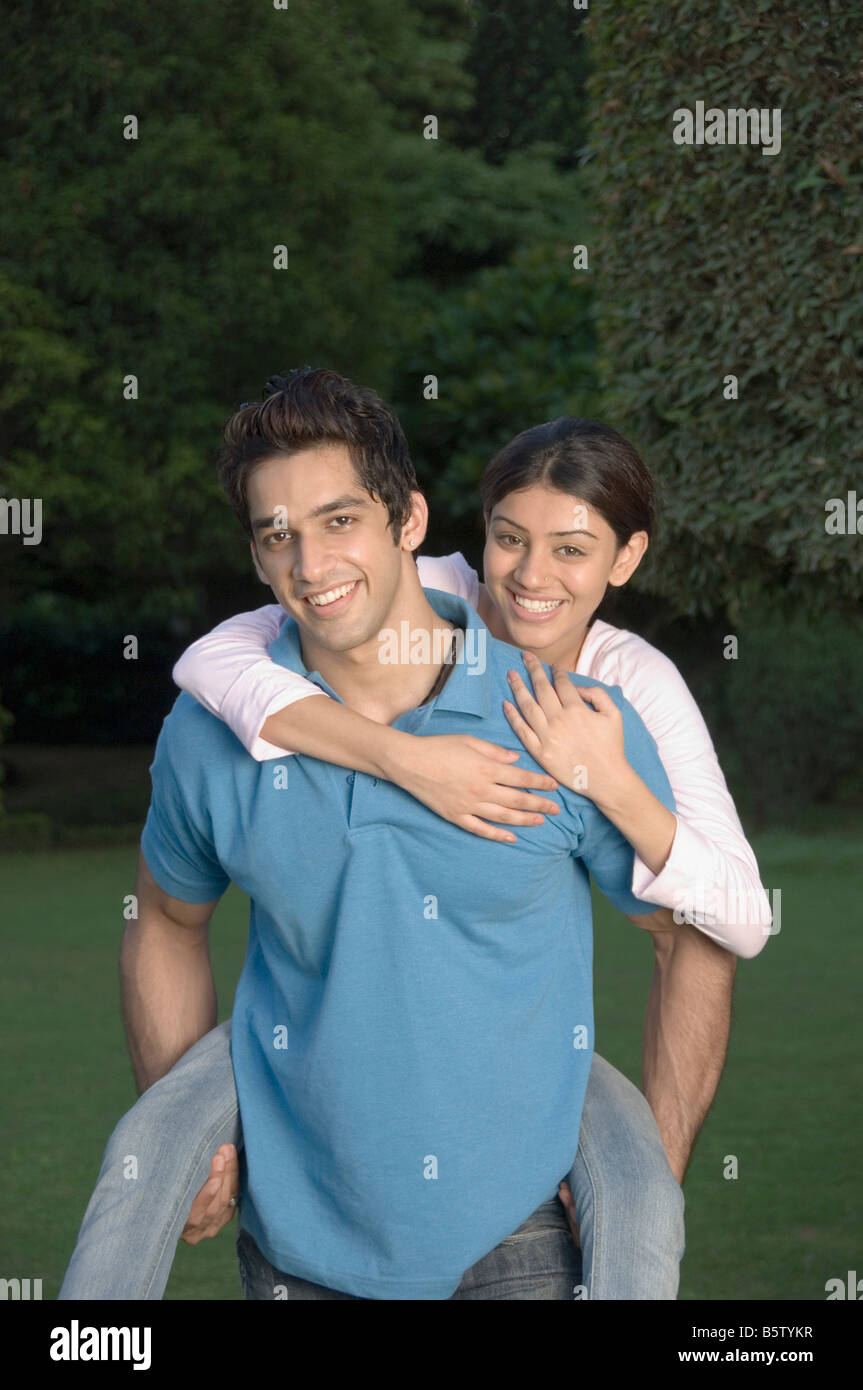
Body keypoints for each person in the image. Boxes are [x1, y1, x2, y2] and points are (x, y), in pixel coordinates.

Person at [58, 371, 766, 1301]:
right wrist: (213, 1147)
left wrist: (641, 1178)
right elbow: (163, 917)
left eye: (341, 521)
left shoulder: (582, 713)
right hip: (294, 1241)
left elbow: (706, 932)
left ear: (409, 522)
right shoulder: (213, 727)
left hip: (520, 1236)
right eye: (278, 535)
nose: (310, 565)